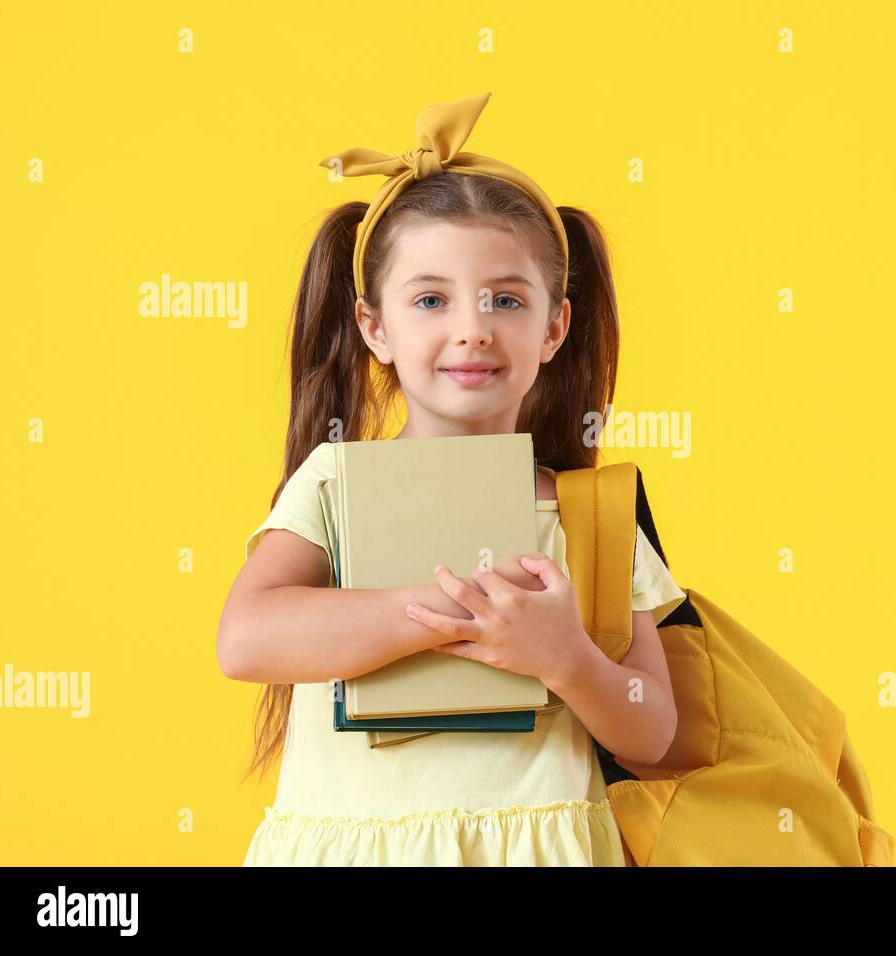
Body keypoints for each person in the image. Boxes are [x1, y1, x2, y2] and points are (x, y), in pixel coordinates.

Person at [216, 92, 686, 866]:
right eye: (431, 299)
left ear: (554, 328)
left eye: (506, 298)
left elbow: (655, 730)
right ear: (376, 328)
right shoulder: (336, 480)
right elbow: (246, 639)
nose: (471, 325)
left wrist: (562, 655)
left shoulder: (590, 512)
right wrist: (455, 609)